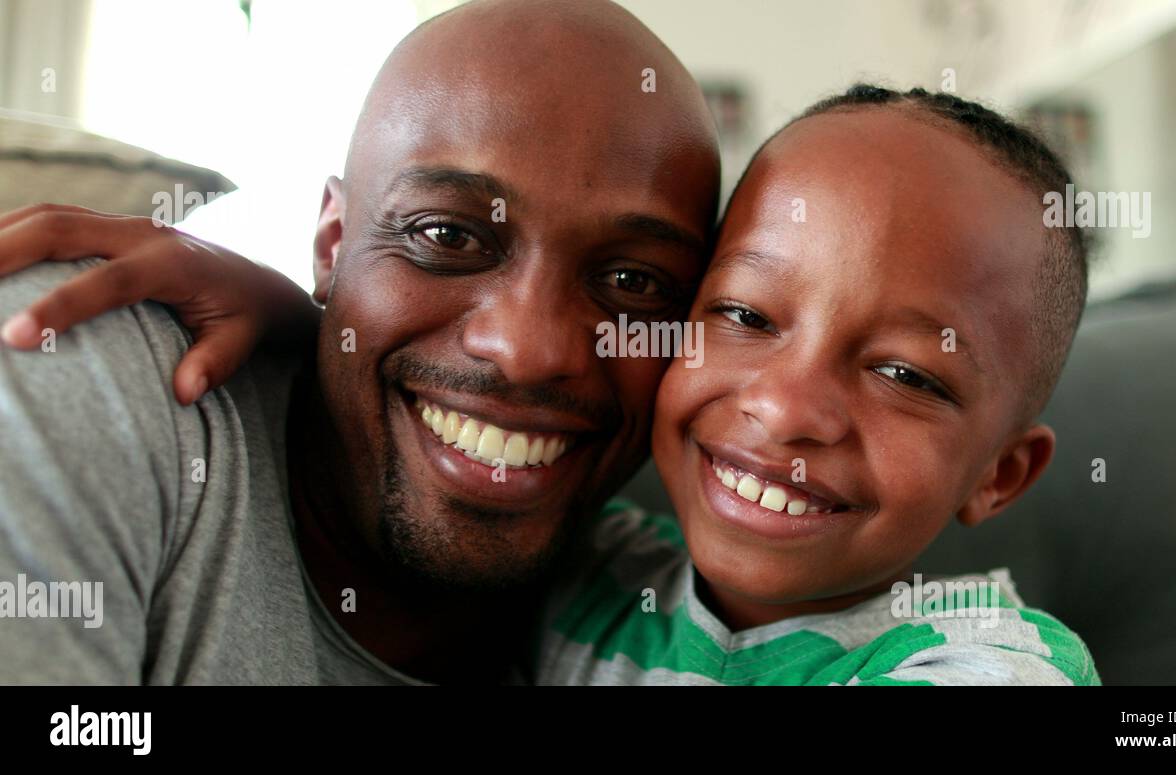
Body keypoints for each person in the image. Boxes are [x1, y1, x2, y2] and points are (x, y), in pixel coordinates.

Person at [0, 84, 1100, 684]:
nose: (786, 405)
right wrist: (325, 321)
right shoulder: (604, 574)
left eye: (906, 372)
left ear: (1003, 473)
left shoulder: (976, 662)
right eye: (747, 317)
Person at [0, 0, 720, 684]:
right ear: (332, 243)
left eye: (634, 279)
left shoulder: (672, 593)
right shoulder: (82, 371)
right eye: (447, 236)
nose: (527, 350)